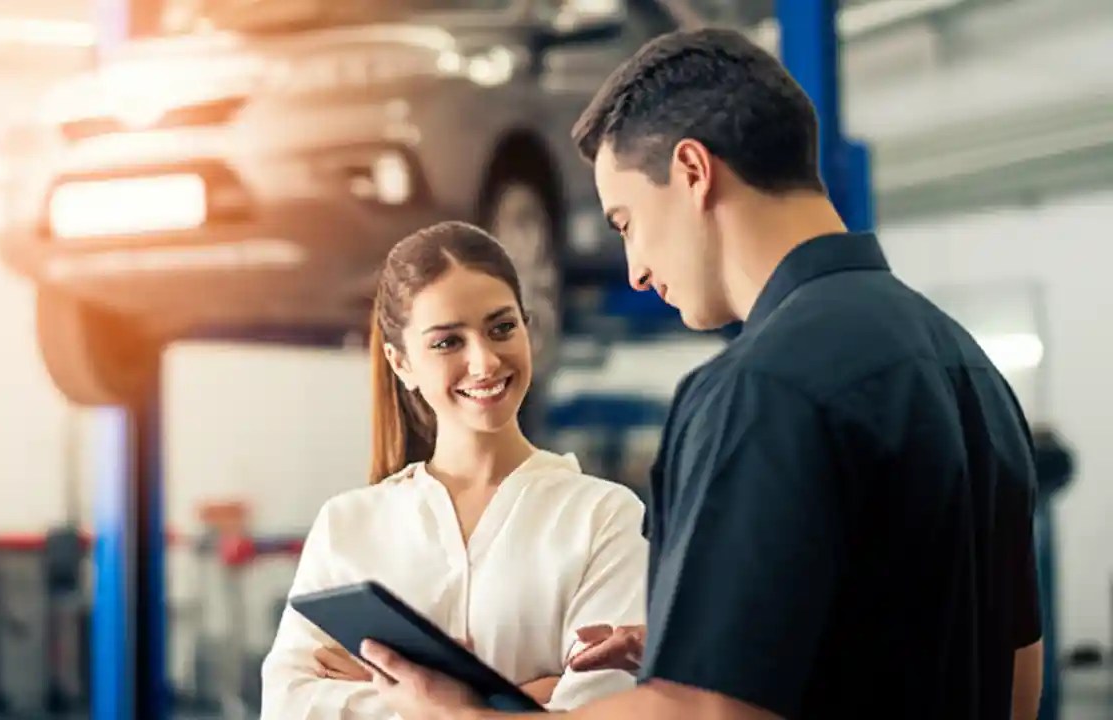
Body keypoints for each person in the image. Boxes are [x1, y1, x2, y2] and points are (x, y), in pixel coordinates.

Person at [358, 27, 1045, 720]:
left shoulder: (759, 388)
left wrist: (468, 716)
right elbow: (1016, 673)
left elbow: (705, 714)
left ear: (693, 172)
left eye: (625, 221)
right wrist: (710, 639)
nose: (634, 269)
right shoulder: (968, 366)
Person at [258, 221, 649, 718]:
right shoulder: (349, 524)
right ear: (401, 363)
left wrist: (397, 695)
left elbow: (606, 705)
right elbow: (289, 705)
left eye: (501, 327)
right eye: (447, 342)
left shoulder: (604, 516)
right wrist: (505, 697)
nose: (485, 361)